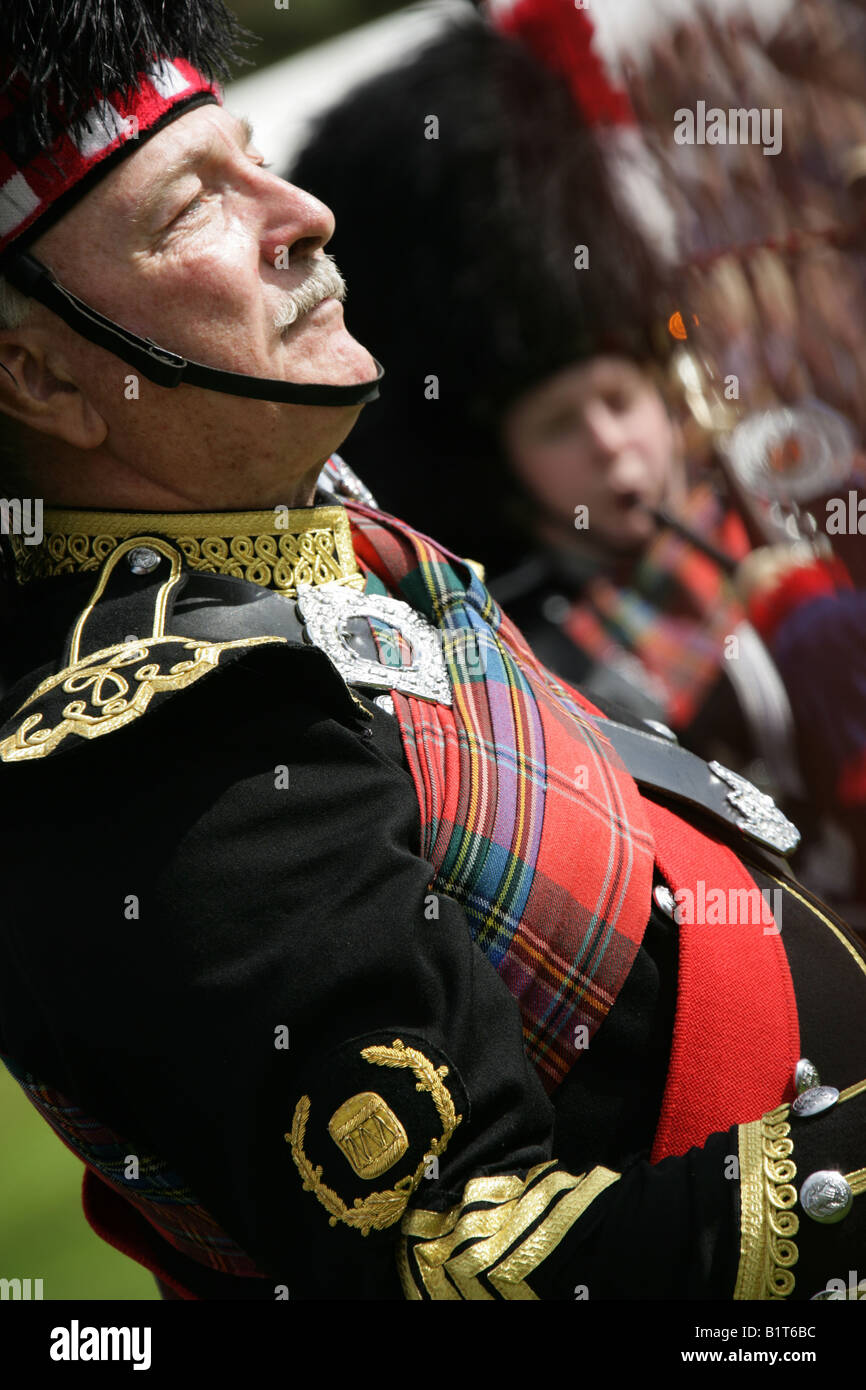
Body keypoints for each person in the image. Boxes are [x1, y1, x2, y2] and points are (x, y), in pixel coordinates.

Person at [0, 0, 865, 1302]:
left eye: (255, 156)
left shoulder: (280, 522)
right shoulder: (173, 755)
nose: (300, 212)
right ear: (48, 382)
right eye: (193, 206)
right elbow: (460, 1260)